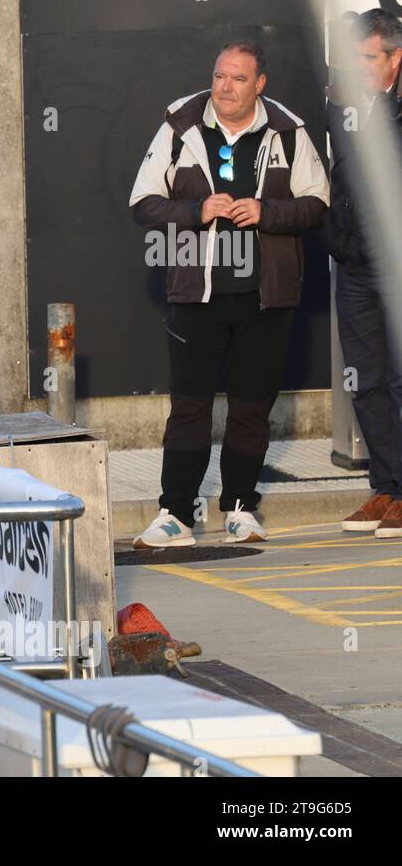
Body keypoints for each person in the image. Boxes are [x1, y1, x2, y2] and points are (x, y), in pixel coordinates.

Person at [128, 41, 328, 548]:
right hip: (196, 295)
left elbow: (317, 205)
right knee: (190, 408)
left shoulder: (288, 130)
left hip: (266, 298)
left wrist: (268, 212)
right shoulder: (179, 126)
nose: (225, 87)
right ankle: (175, 514)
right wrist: (196, 210)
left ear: (260, 84)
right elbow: (143, 203)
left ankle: (240, 506)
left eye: (238, 79)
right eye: (219, 76)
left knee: (251, 408)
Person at [327, 10, 402, 538]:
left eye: (368, 59)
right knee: (367, 383)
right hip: (354, 266)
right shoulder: (345, 106)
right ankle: (387, 486)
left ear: (396, 57)